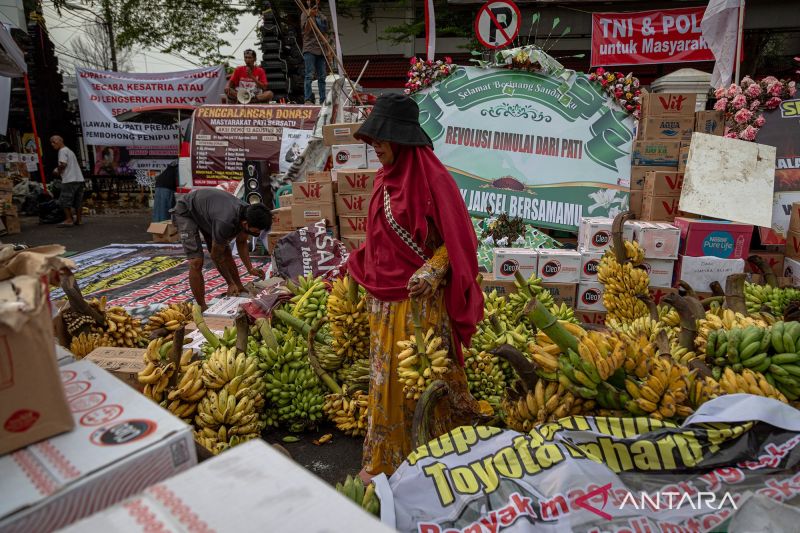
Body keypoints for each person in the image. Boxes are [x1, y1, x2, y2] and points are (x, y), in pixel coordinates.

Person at [345, 94, 485, 482]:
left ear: (402, 140)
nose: (375, 147)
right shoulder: (382, 179)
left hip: (419, 304)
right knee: (385, 380)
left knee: (421, 379)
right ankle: (386, 461)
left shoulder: (434, 180)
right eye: (372, 139)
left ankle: (435, 458)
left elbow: (459, 242)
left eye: (381, 139)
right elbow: (377, 237)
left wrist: (433, 270)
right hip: (383, 301)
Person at [172, 188, 271, 310]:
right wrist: (229, 283)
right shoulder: (226, 221)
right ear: (245, 224)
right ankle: (202, 306)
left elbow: (241, 242)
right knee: (196, 262)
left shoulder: (248, 212)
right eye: (256, 231)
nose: (258, 233)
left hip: (207, 211)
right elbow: (215, 256)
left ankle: (239, 287)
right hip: (187, 210)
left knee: (225, 250)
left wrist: (250, 268)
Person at [50, 135, 85, 228]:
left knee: (64, 201)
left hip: (69, 180)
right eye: (51, 142)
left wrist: (57, 171)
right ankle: (79, 220)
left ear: (60, 141)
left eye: (54, 141)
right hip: (79, 179)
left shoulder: (62, 151)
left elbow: (63, 164)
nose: (52, 144)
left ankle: (69, 220)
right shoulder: (69, 151)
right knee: (78, 201)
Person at [301, 1, 328, 104]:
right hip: (310, 48)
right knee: (309, 75)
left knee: (322, 76)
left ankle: (323, 100)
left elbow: (325, 31)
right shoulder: (305, 13)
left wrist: (328, 50)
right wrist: (310, 17)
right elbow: (306, 31)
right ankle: (308, 99)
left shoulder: (321, 15)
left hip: (321, 49)